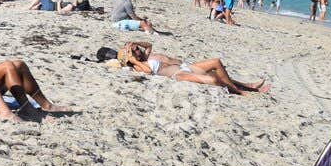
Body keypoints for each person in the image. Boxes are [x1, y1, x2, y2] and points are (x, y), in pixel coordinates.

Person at [100, 41, 269, 94]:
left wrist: (136, 43)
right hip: (179, 74)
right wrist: (131, 59)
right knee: (214, 79)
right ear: (130, 57)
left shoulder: (146, 55)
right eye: (135, 50)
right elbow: (148, 71)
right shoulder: (140, 65)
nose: (138, 50)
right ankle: (240, 91)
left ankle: (248, 85)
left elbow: (149, 44)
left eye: (136, 48)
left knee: (216, 62)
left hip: (186, 65)